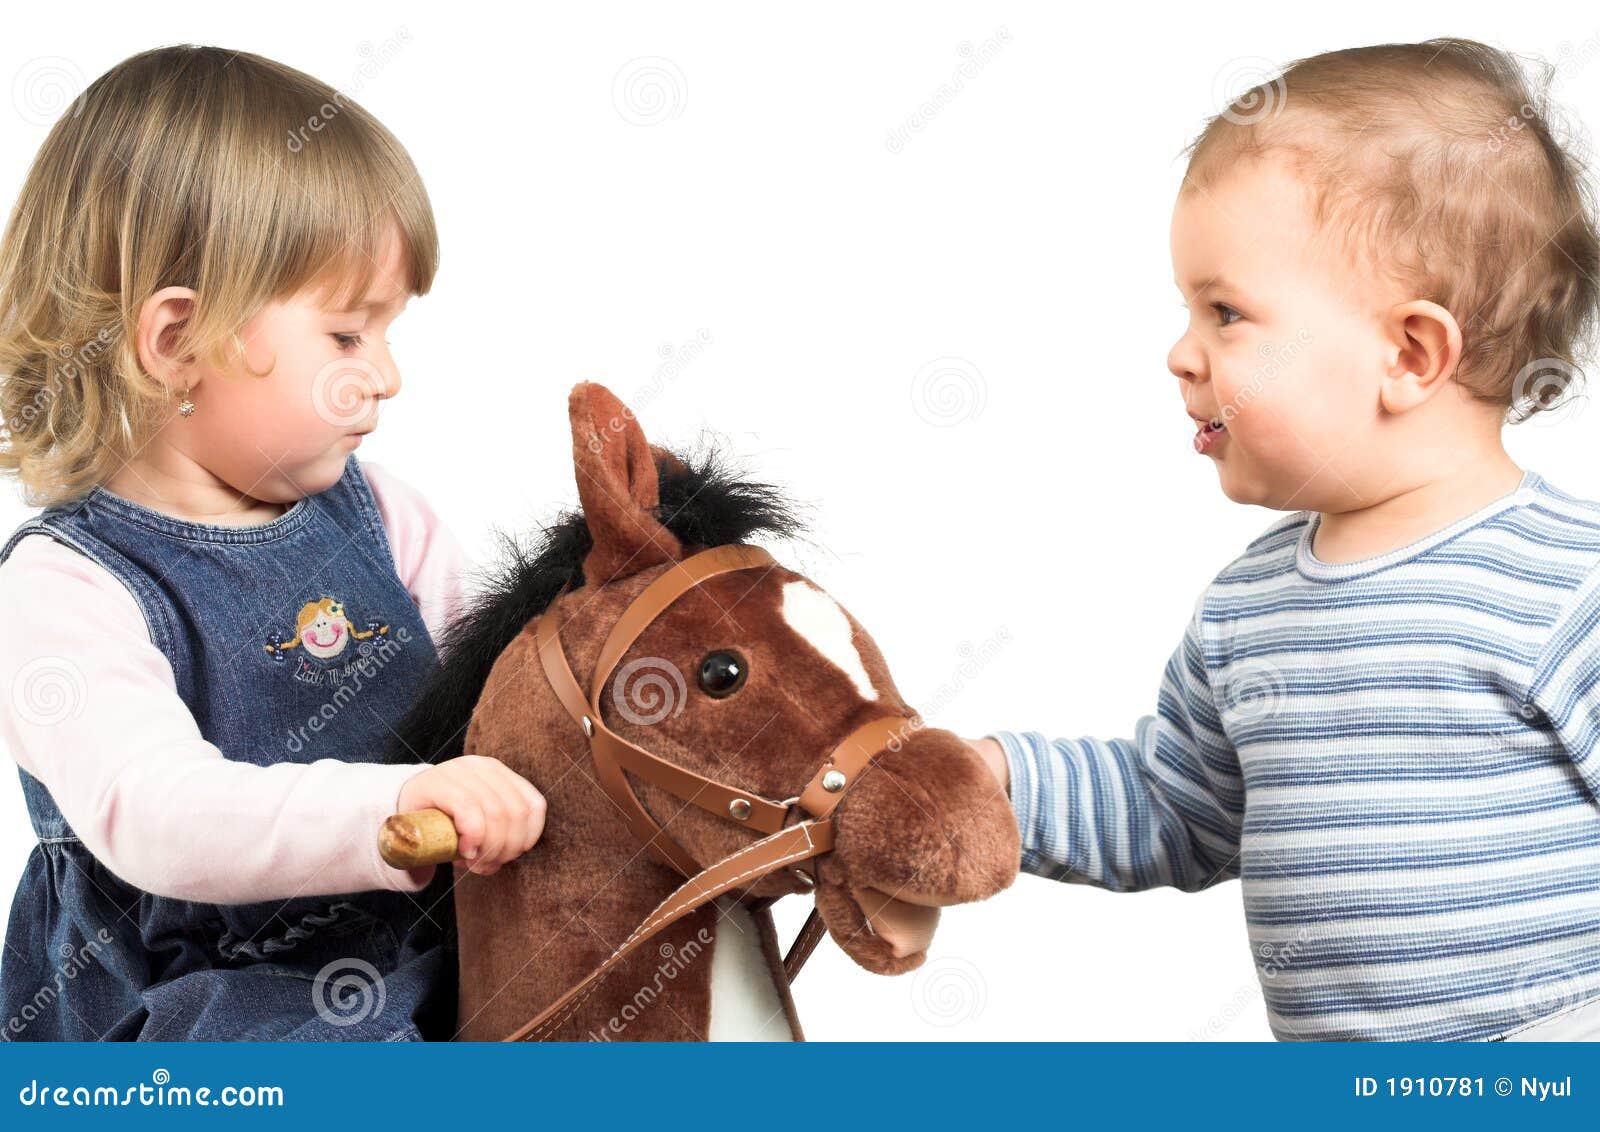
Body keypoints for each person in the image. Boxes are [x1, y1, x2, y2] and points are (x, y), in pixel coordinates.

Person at [967, 38, 1600, 1041]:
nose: (1180, 355)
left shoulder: (1567, 588)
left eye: (1224, 312)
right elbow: (1171, 812)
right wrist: (995, 779)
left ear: (1408, 352)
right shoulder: (1244, 612)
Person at [0, 46, 544, 1041]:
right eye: (347, 336)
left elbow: (498, 715)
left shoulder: (387, 519)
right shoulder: (67, 586)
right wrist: (400, 802)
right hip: (215, 987)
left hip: (419, 932)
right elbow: (159, 813)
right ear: (176, 343)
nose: (385, 376)